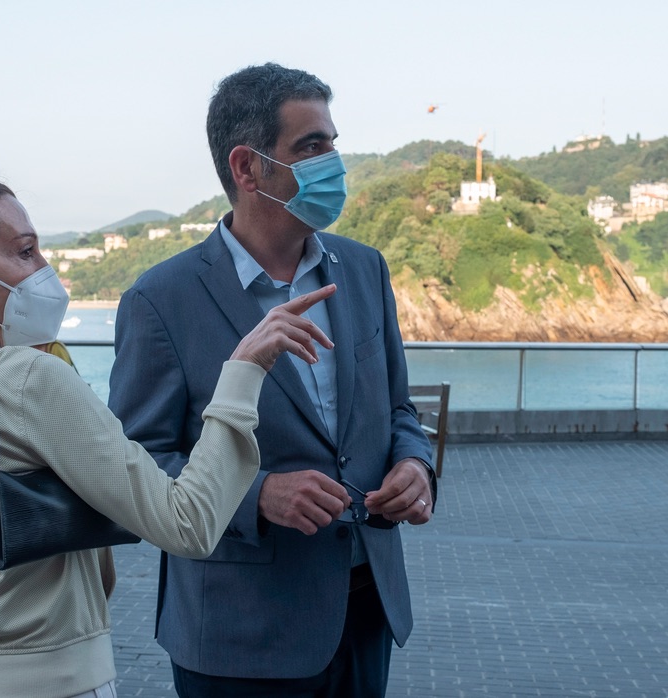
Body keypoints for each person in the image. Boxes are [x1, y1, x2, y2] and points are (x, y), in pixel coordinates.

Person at [0, 169, 335, 698]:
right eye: (25, 252)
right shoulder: (24, 378)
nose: (45, 270)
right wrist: (243, 371)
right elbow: (187, 522)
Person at [108, 63, 436, 697]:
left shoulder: (364, 269)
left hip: (365, 610)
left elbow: (398, 408)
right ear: (247, 167)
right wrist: (255, 494)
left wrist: (416, 465)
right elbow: (135, 466)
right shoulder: (161, 299)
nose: (335, 161)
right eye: (312, 146)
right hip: (238, 635)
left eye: (334, 142)